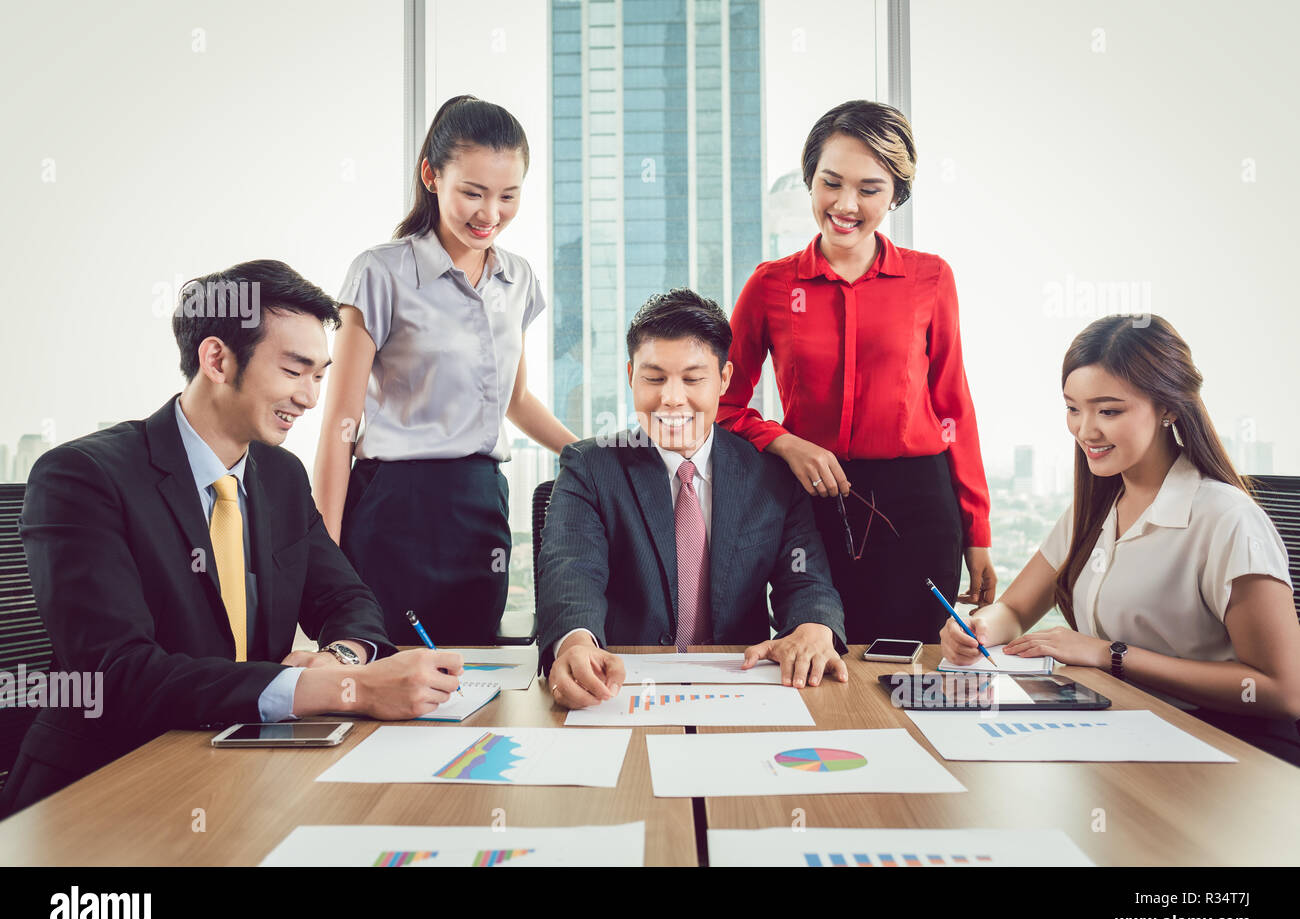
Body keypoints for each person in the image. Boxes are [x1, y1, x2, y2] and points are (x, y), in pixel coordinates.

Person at [0, 261, 464, 818]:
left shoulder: (280, 476)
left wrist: (339, 659)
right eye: (294, 370)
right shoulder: (83, 477)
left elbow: (347, 598)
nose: (311, 398)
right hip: (105, 787)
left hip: (244, 775)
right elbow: (114, 672)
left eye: (320, 375)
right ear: (217, 359)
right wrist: (349, 691)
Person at [941, 314, 1300, 763]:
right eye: (1074, 408)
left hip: (1222, 746)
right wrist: (979, 628)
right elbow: (1015, 609)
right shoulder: (1096, 509)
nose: (1086, 430)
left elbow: (1283, 692)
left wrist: (1108, 654)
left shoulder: (1226, 519)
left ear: (1169, 407)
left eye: (1108, 411)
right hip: (1120, 727)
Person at [718, 100, 995, 644]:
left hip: (919, 509)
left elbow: (953, 408)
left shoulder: (930, 279)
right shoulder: (770, 286)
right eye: (831, 183)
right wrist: (784, 443)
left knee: (914, 675)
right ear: (809, 180)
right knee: (816, 664)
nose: (846, 204)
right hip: (810, 506)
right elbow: (722, 405)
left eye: (869, 189)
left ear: (896, 194)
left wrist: (977, 531)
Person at [313, 95, 577, 646]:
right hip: (397, 509)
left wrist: (588, 457)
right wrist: (324, 554)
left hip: (482, 508)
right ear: (431, 176)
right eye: (473, 193)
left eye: (509, 195)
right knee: (385, 674)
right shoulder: (379, 273)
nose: (491, 214)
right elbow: (341, 421)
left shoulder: (519, 278)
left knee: (472, 679)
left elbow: (516, 399)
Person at [539, 289, 847, 709]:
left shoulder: (771, 475)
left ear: (723, 379)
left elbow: (807, 579)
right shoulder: (590, 467)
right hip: (622, 689)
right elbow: (572, 571)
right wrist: (574, 642)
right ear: (630, 375)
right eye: (653, 377)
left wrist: (814, 627)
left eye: (691, 378)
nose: (671, 398)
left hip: (739, 688)